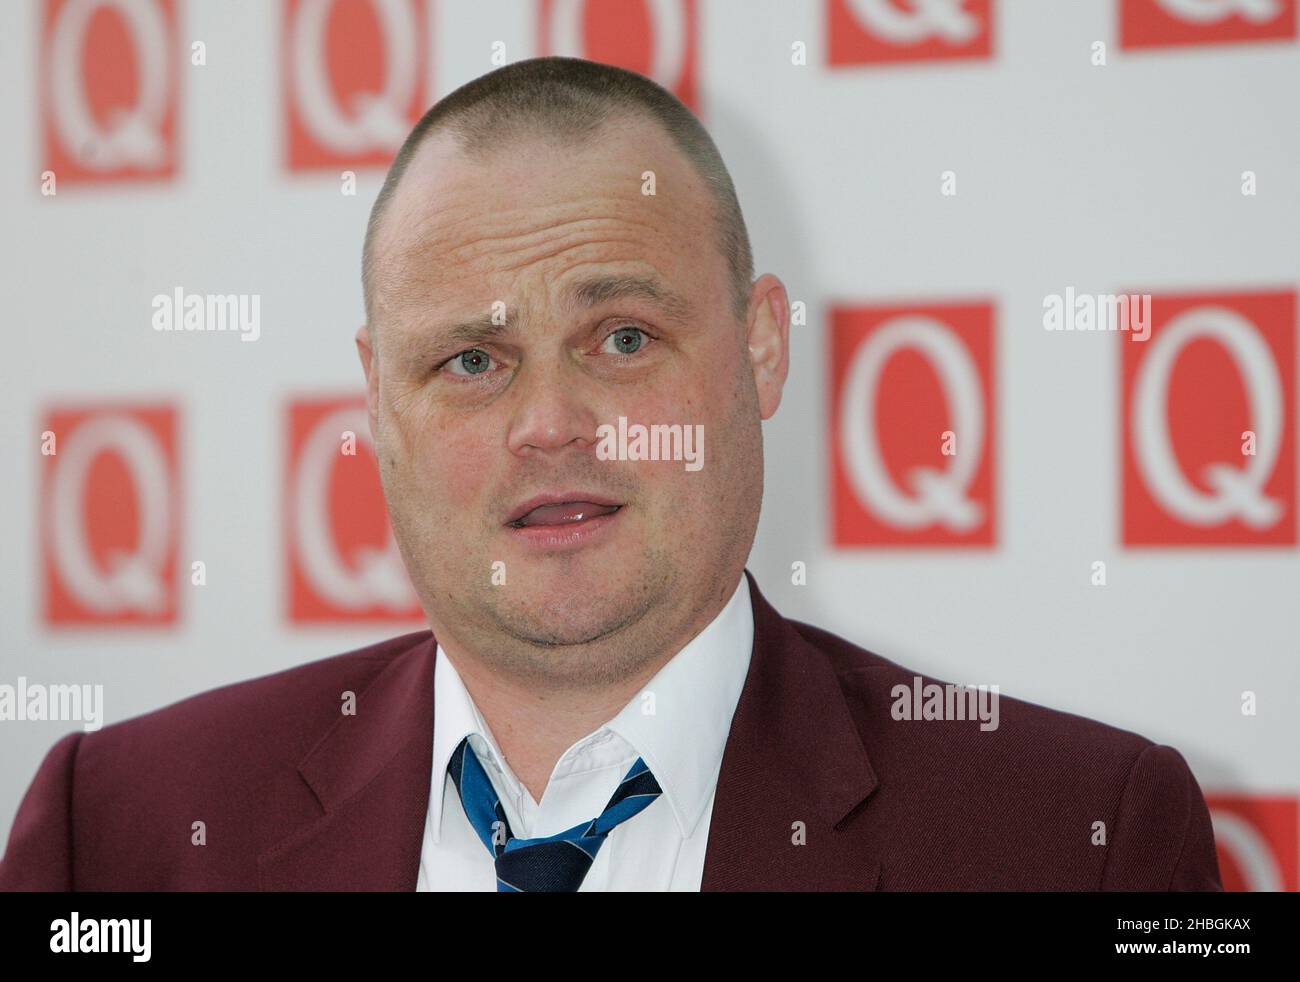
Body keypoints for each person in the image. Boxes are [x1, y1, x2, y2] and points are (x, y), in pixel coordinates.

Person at [0, 56, 1220, 891]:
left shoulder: (1079, 837)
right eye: (471, 359)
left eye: (623, 338)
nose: (549, 422)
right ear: (377, 403)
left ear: (760, 350)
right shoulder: (119, 831)